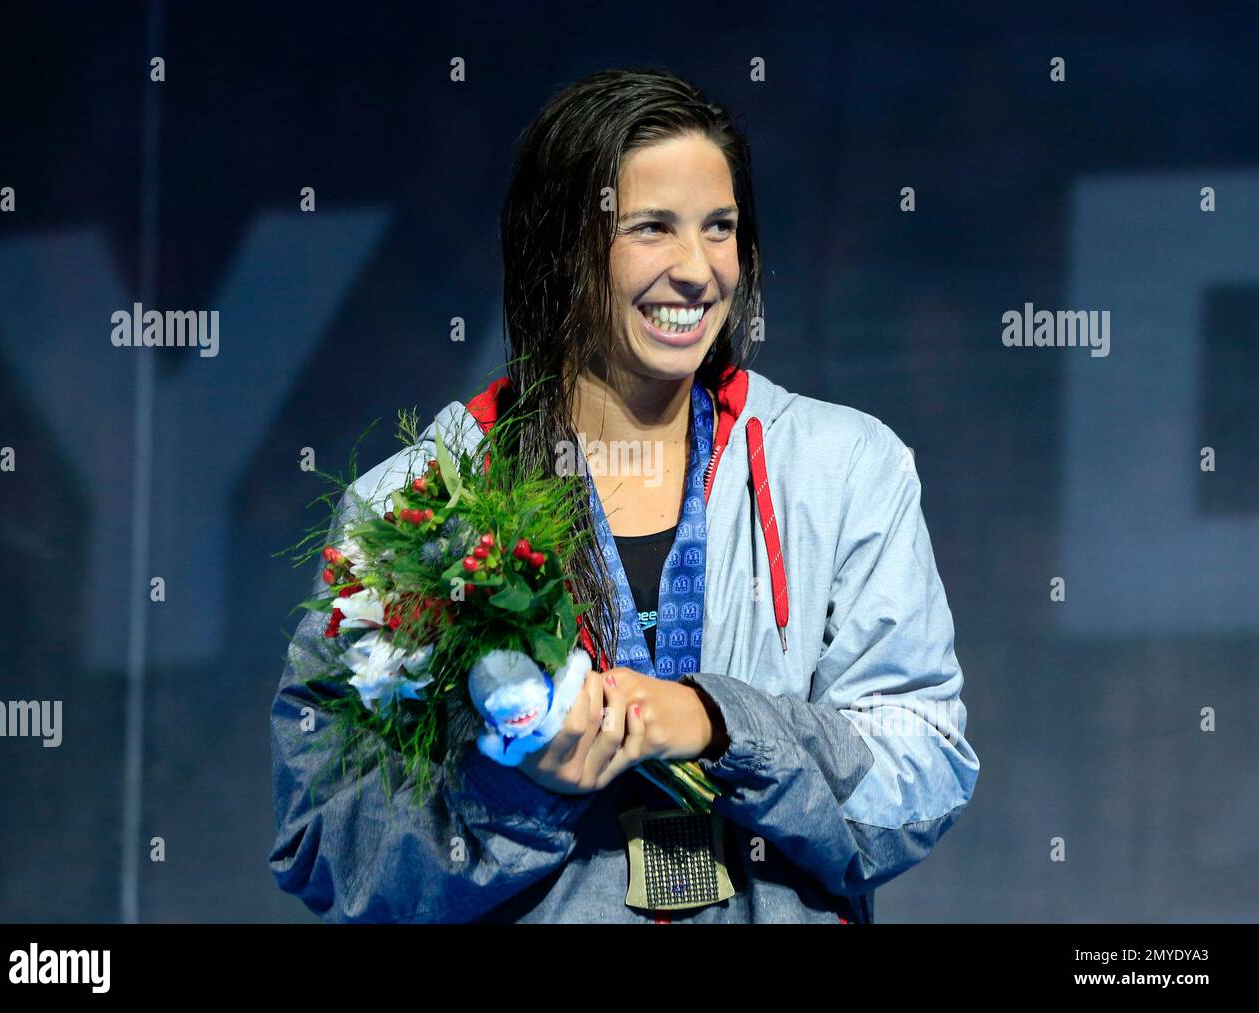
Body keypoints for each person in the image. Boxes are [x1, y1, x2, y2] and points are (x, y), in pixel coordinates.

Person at [268, 68, 979, 923]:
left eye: (720, 228)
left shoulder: (844, 468)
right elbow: (328, 842)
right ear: (562, 249)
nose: (697, 270)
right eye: (653, 228)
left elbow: (926, 774)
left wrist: (718, 722)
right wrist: (521, 787)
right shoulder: (416, 510)